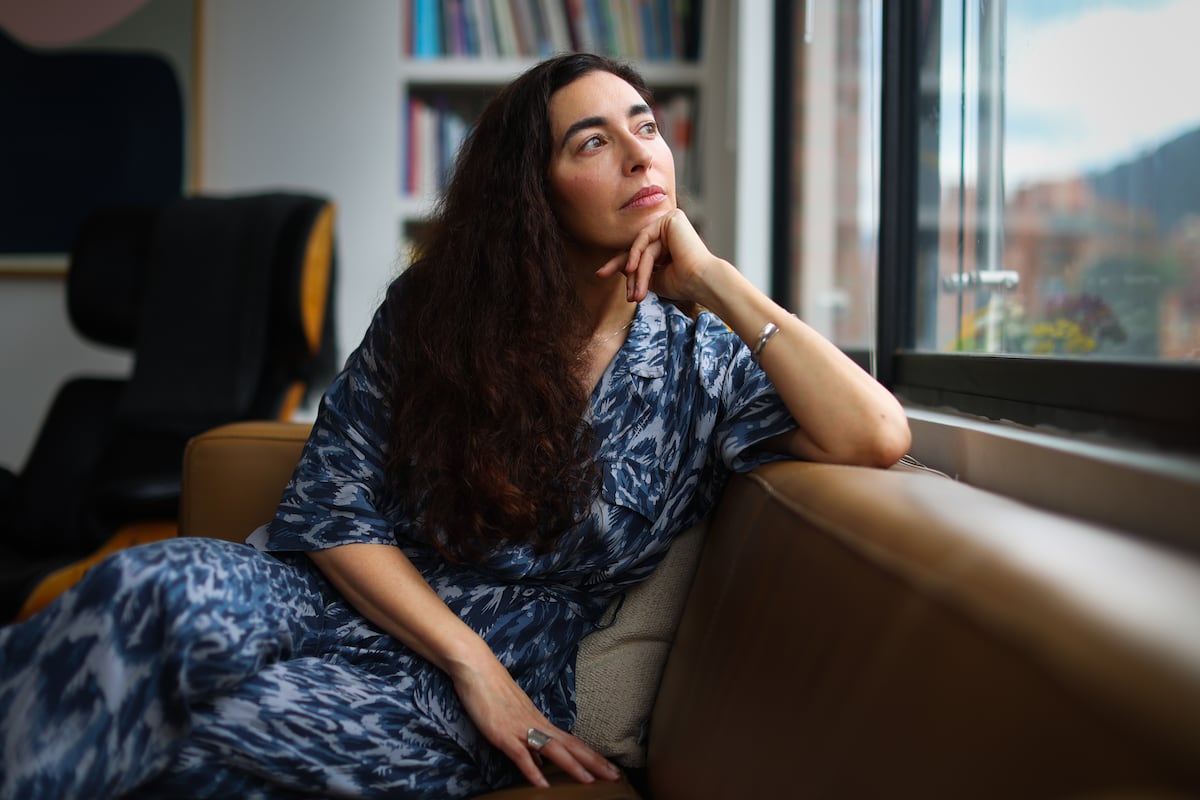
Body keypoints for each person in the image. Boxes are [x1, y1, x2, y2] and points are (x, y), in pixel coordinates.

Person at [0, 53, 910, 798]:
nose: (641, 157)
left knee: (210, 739)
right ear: (534, 190)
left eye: (646, 127)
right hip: (336, 600)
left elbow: (876, 433)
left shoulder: (702, 360)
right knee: (146, 587)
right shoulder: (437, 310)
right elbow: (332, 509)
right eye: (593, 141)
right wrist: (471, 661)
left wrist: (715, 279)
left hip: (471, 681)